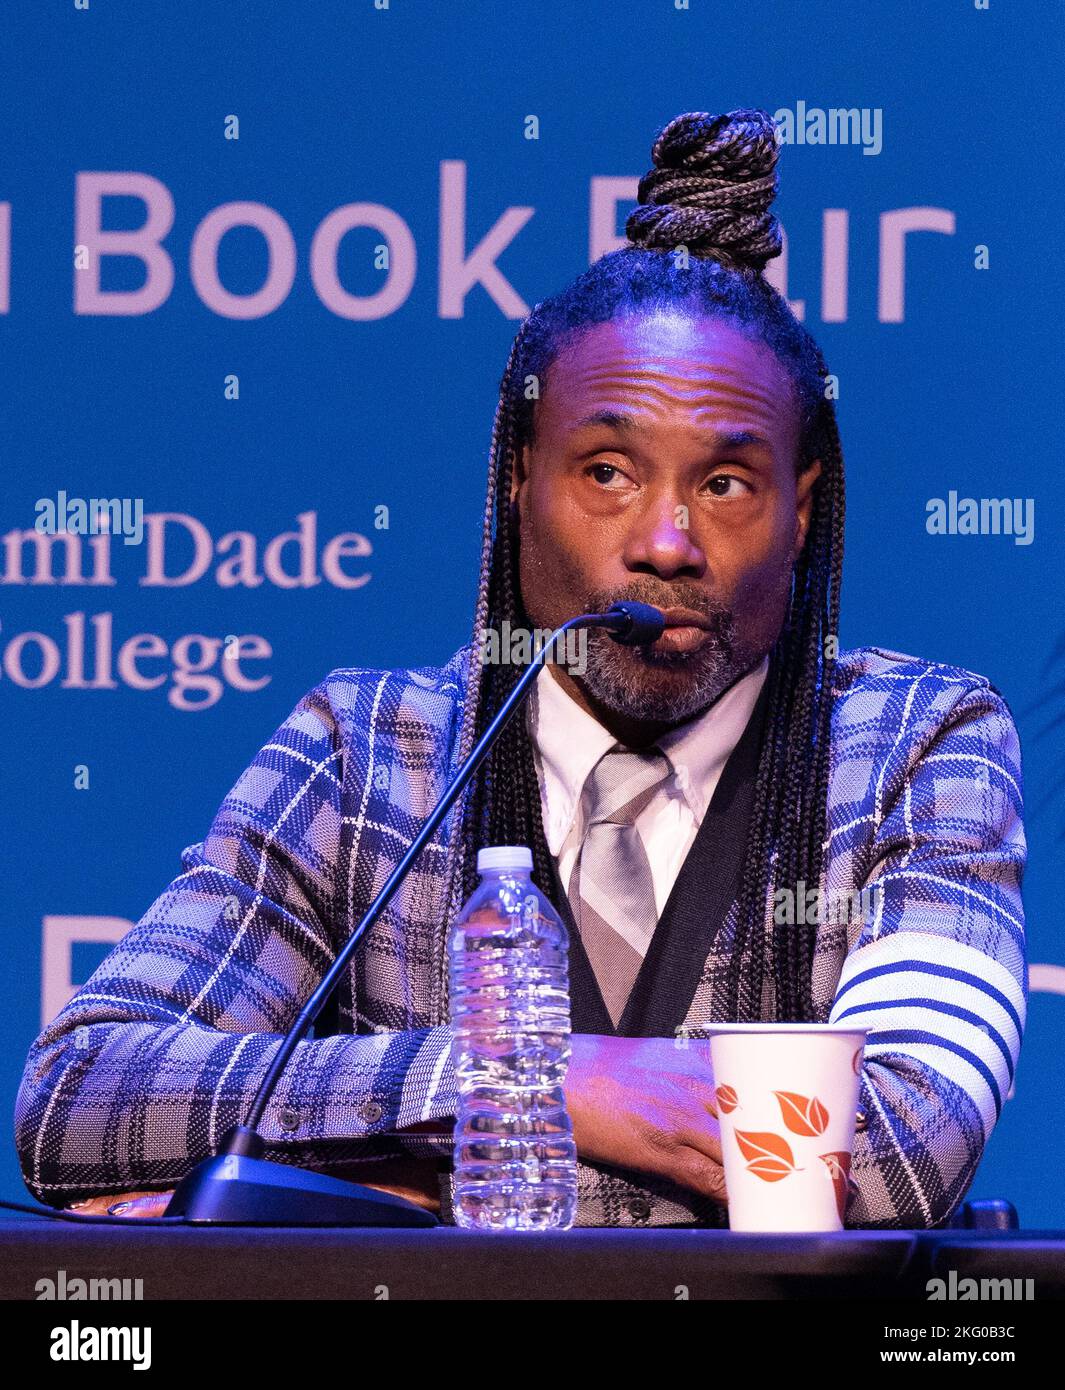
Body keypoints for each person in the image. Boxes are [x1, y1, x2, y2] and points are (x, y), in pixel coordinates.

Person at [15, 108, 1026, 1228]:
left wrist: (373, 1182)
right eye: (606, 471)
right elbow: (80, 1096)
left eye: (728, 485)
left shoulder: (918, 744)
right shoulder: (367, 755)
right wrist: (544, 1081)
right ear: (517, 482)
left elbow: (893, 1149)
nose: (667, 540)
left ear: (803, 513)